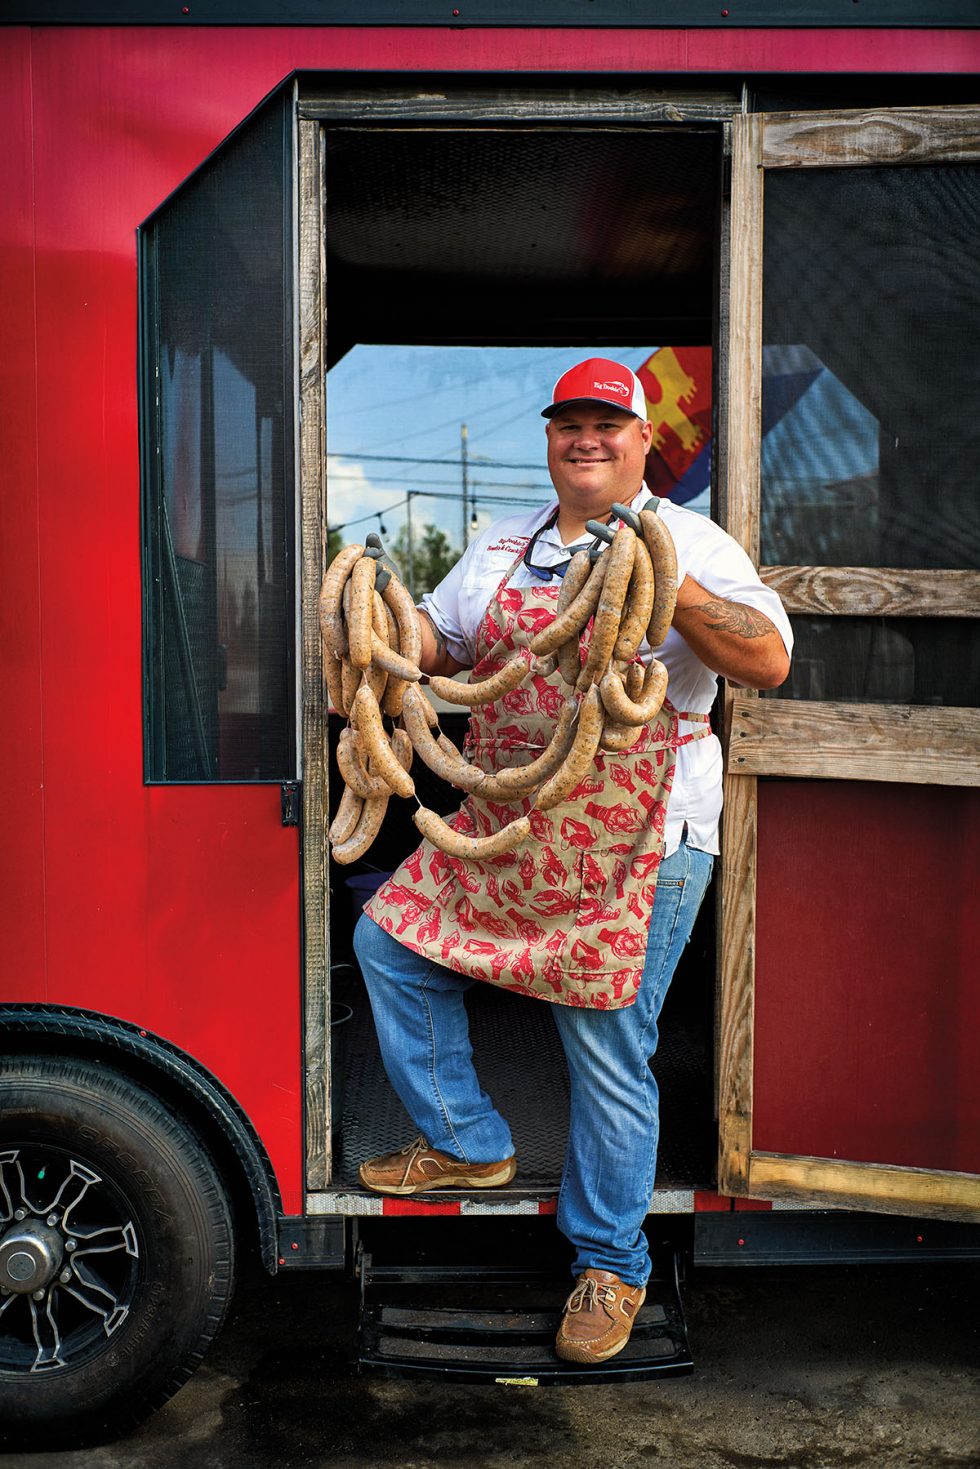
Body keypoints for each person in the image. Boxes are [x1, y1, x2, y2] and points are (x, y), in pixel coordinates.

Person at [353, 357, 792, 1364]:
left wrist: (666, 588)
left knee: (602, 1041)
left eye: (606, 423)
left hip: (641, 830)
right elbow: (443, 638)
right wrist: (383, 622)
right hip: (516, 820)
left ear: (642, 442)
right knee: (388, 941)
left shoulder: (682, 536)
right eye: (567, 424)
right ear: (547, 440)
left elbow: (766, 658)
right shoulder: (503, 542)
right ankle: (466, 1138)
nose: (584, 438)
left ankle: (611, 1261)